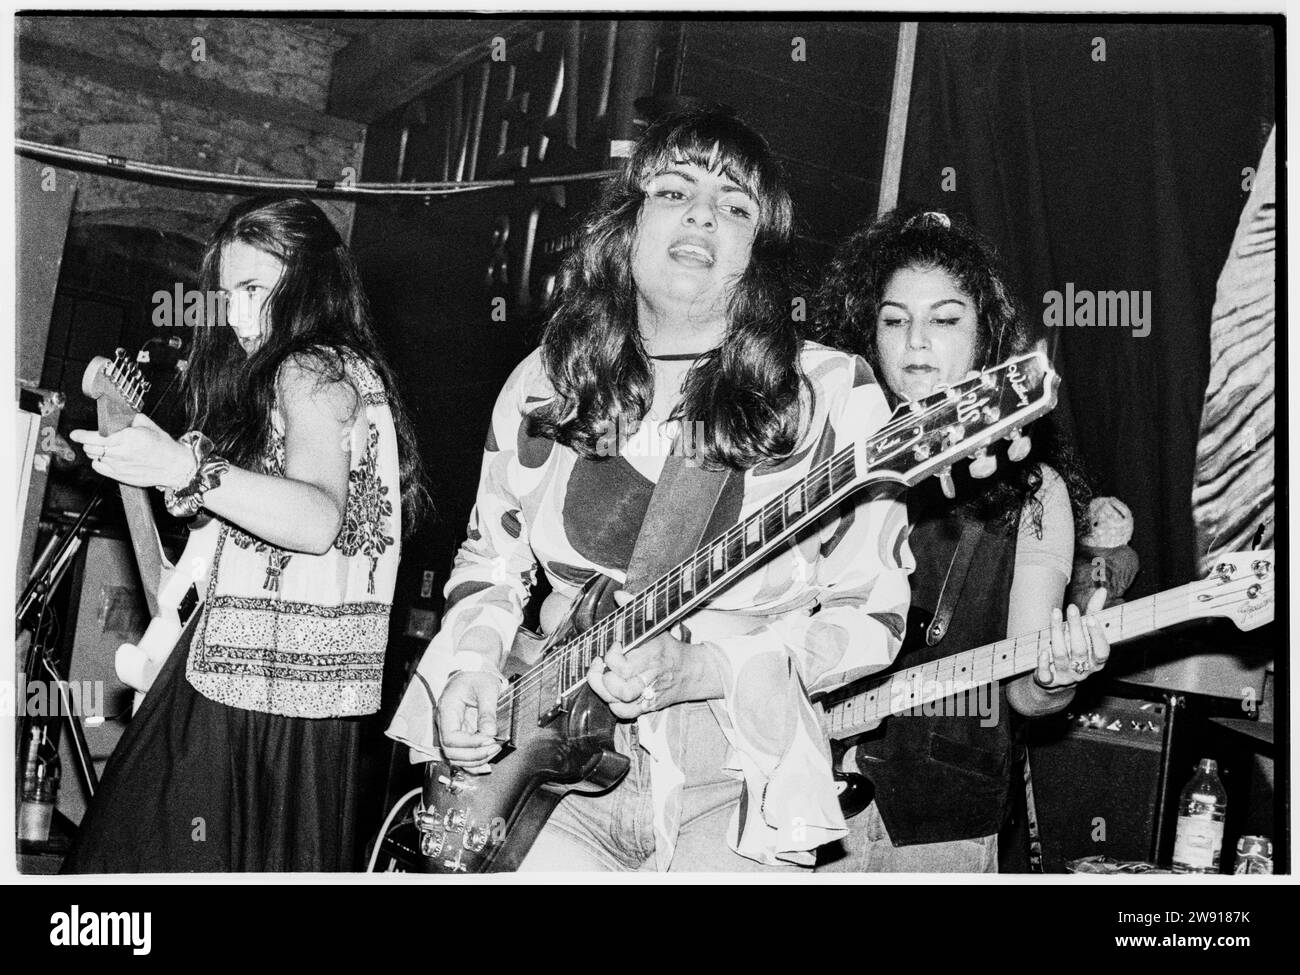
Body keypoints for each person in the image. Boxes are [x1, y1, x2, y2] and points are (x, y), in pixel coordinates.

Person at [387, 109, 913, 871]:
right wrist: (473, 664)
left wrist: (706, 666)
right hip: (546, 770)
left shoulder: (833, 394)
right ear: (628, 224)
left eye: (736, 206)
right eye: (674, 190)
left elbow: (873, 616)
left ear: (757, 254)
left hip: (739, 778)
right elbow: (491, 563)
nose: (703, 212)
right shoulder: (546, 382)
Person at [64, 195, 425, 872]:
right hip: (296, 706)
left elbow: (318, 519)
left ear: (310, 278)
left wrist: (182, 464)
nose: (234, 316)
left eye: (254, 289)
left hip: (251, 693)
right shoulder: (345, 368)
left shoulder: (308, 367)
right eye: (227, 295)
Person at [812, 208, 1107, 872]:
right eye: (894, 319)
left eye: (945, 319)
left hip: (935, 825)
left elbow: (1031, 694)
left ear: (984, 338)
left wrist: (1059, 675)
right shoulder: (824, 459)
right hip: (798, 798)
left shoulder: (1035, 493)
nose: (916, 339)